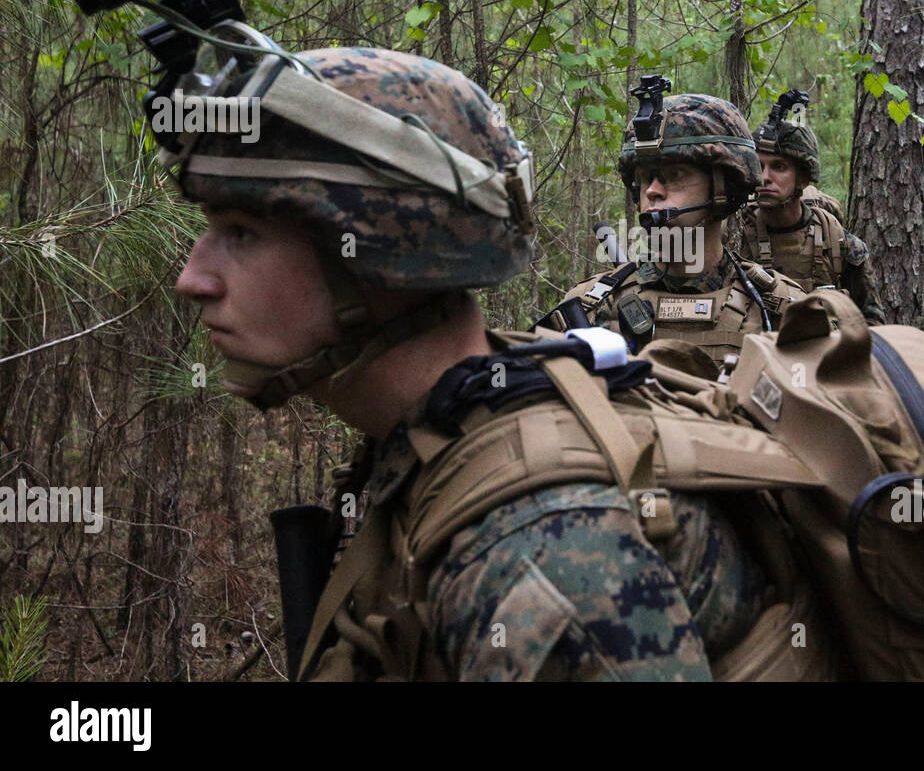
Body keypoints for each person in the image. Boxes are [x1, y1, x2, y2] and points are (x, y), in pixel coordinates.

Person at [173, 47, 809, 681]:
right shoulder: (440, 441)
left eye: (242, 234)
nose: (192, 278)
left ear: (386, 248)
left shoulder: (549, 558)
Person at [557, 80, 805, 373]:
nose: (653, 191)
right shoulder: (586, 307)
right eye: (646, 178)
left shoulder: (782, 309)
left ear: (724, 188)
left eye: (674, 175)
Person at [731, 90, 882, 319]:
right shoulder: (733, 236)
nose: (765, 177)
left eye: (779, 167)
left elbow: (872, 322)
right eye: (759, 166)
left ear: (803, 178)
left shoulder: (839, 245)